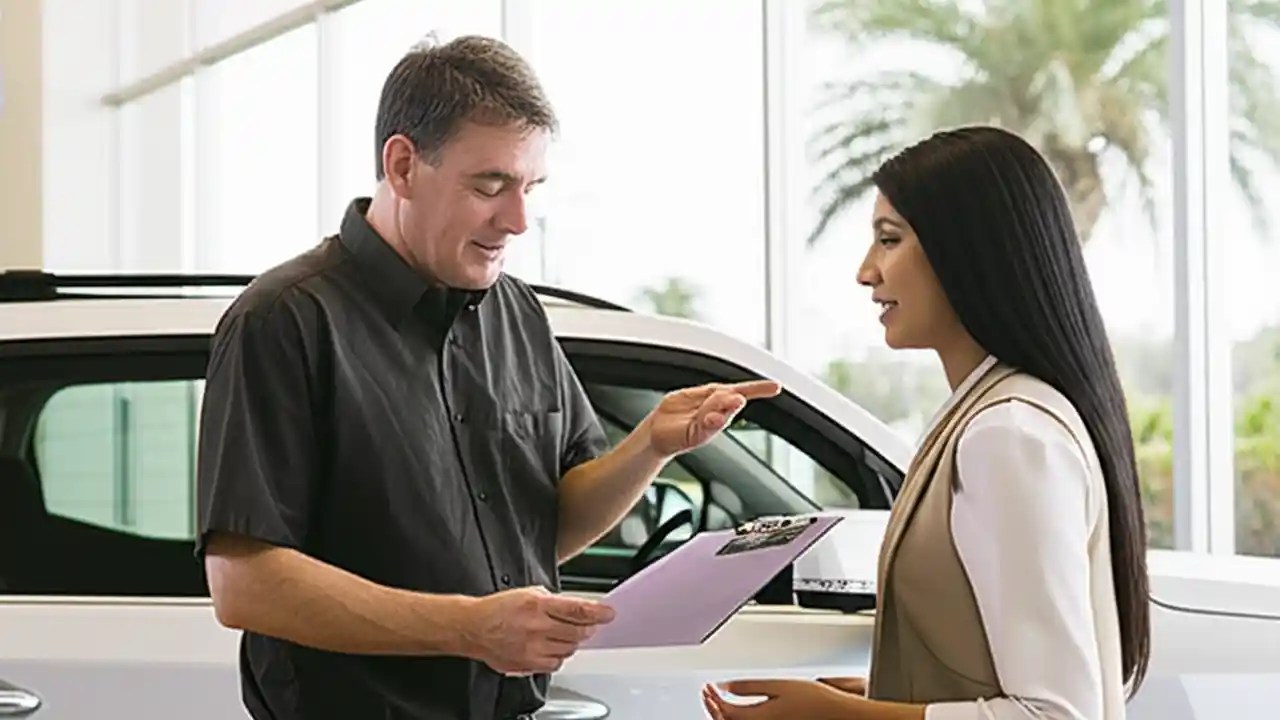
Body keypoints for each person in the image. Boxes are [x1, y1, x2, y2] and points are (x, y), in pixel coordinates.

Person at [195, 34, 780, 720]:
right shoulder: (284, 320)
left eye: (530, 188)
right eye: (490, 186)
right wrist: (471, 628)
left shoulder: (517, 312)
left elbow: (540, 527)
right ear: (404, 164)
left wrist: (650, 445)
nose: (519, 221)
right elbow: (245, 584)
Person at [703, 126, 1151, 720]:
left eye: (889, 240)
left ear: (968, 251)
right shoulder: (992, 416)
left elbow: (1054, 714)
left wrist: (835, 717)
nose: (867, 272)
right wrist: (871, 695)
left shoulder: (1007, 433)